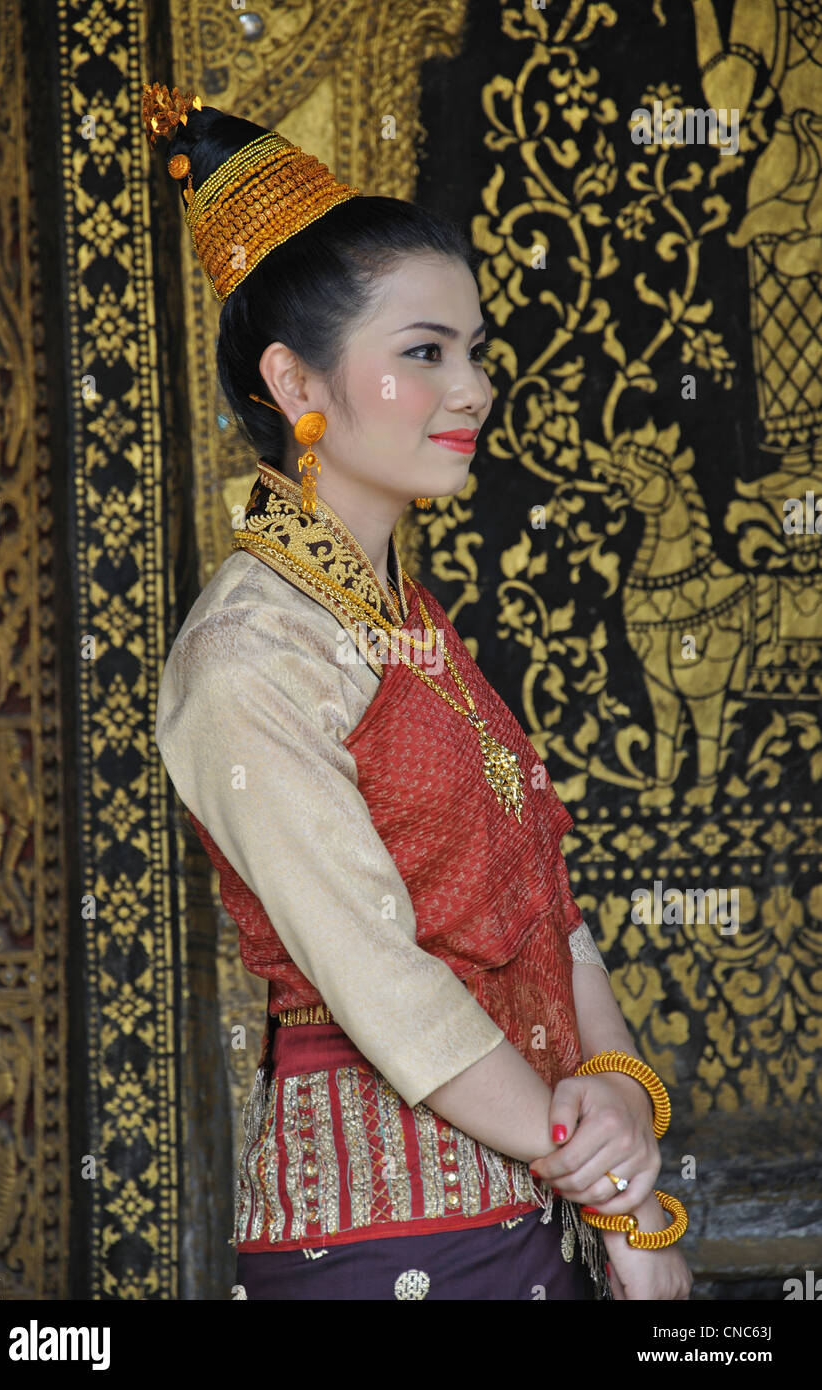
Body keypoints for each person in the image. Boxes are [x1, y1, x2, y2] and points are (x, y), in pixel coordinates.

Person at [143, 82, 693, 1302]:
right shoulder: (250, 654)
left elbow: (550, 909)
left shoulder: (412, 628)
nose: (474, 390)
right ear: (297, 382)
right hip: (392, 1240)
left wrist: (618, 1096)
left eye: (476, 353)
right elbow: (380, 977)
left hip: (532, 1189)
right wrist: (616, 1185)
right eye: (424, 354)